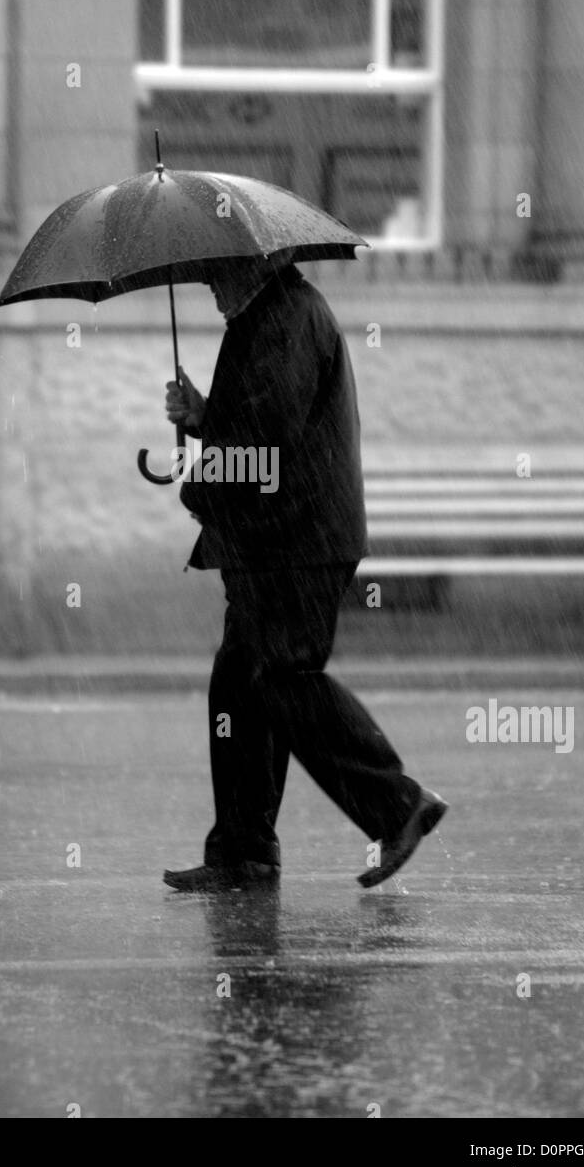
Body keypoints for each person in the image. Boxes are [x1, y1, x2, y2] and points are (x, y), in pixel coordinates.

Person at [162, 253, 447, 892]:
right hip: (272, 540)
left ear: (247, 266)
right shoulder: (266, 315)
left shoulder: (287, 316)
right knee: (240, 685)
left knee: (282, 676)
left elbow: (267, 445)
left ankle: (397, 806)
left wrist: (199, 489)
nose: (207, 286)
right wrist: (205, 417)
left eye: (213, 273)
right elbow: (255, 426)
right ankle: (243, 851)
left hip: (299, 537)